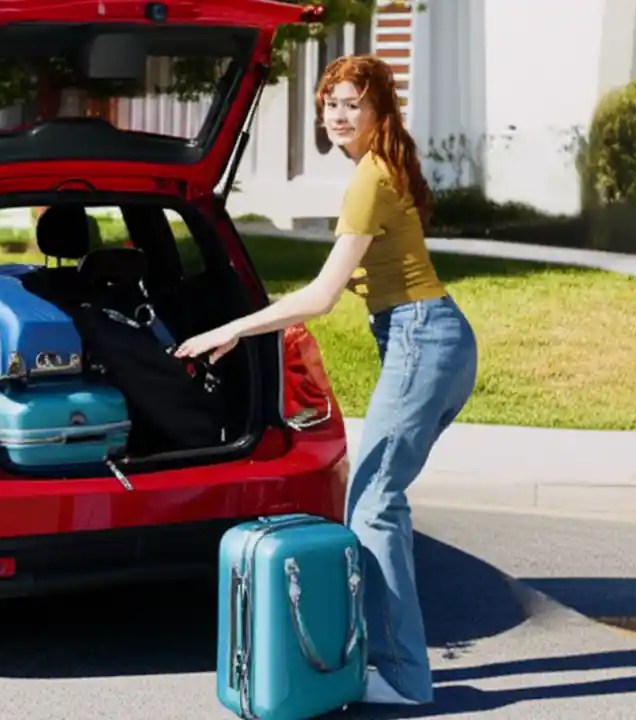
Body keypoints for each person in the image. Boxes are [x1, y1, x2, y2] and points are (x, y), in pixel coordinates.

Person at [174, 55, 478, 706]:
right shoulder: (380, 167)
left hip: (424, 339)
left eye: (351, 104)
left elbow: (321, 297)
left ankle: (400, 678)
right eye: (329, 103)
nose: (337, 116)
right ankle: (391, 666)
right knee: (378, 500)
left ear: (379, 112)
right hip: (431, 339)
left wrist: (232, 329)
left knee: (374, 504)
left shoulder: (370, 177)